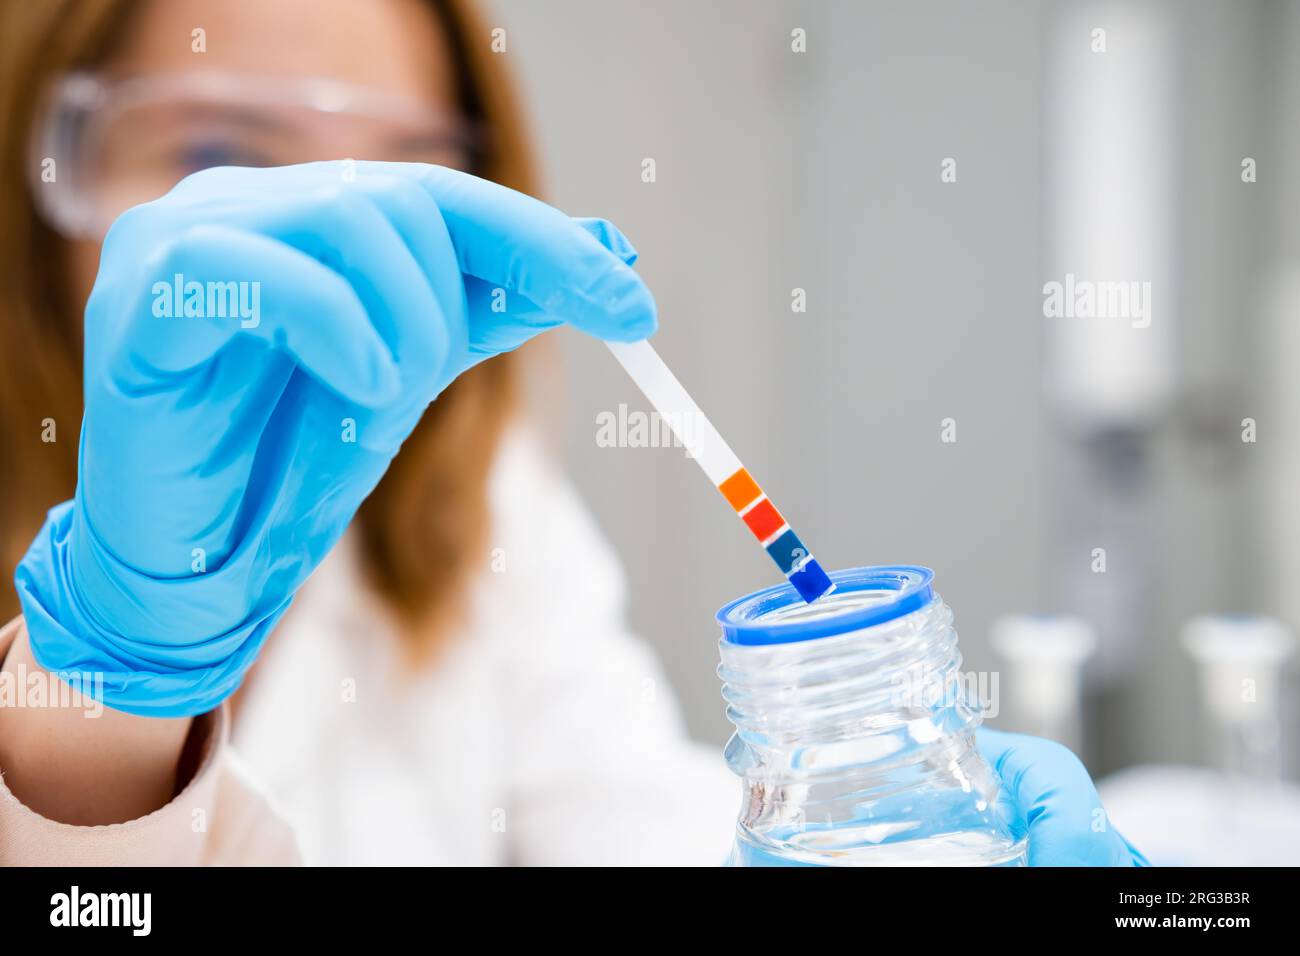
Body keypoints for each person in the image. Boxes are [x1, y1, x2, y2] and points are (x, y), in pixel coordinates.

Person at [0, 0, 1143, 866]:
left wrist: (871, 820)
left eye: (392, 182)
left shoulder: (477, 511)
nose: (314, 250)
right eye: (218, 158)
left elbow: (644, 828)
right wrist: (100, 685)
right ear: (42, 167)